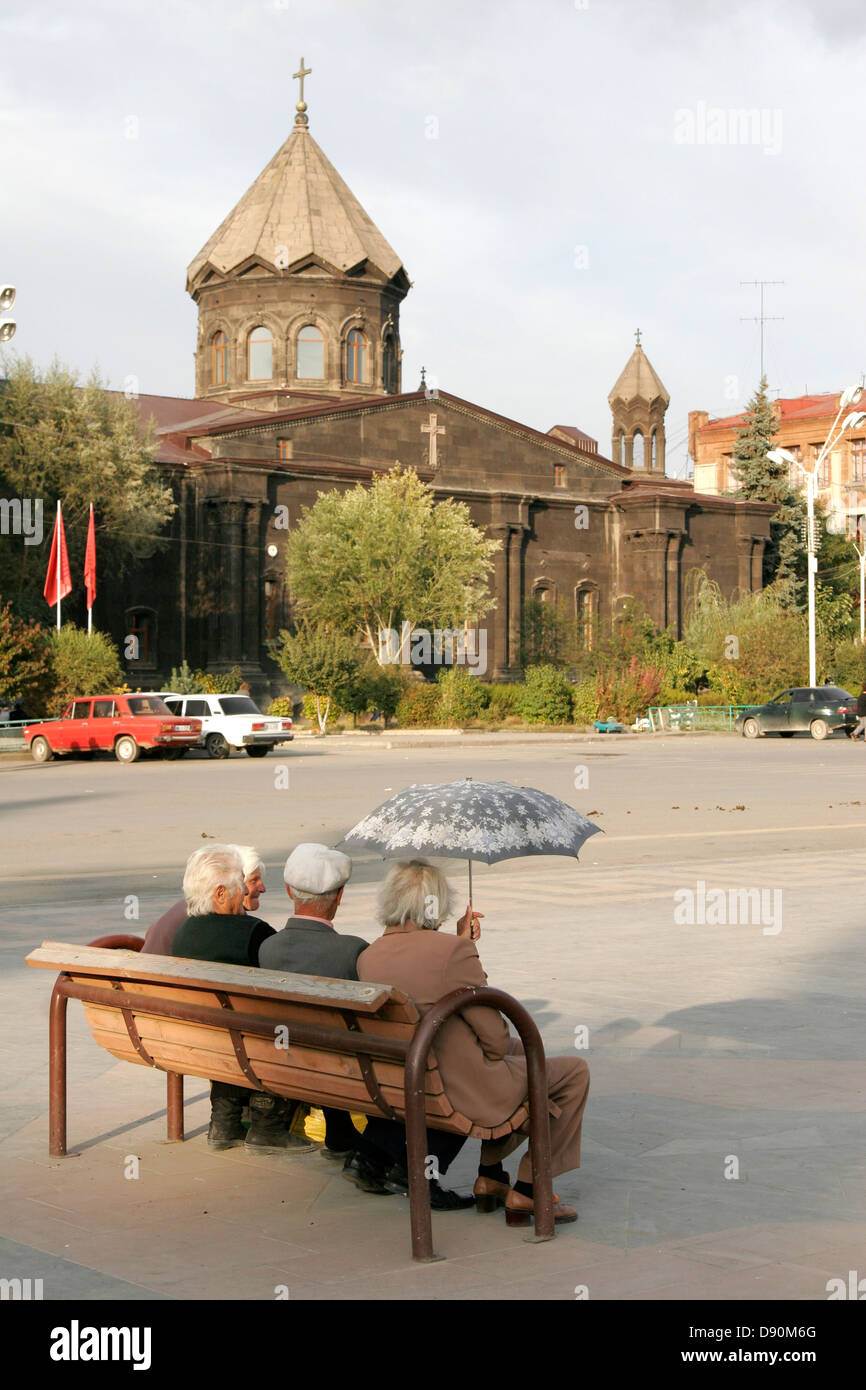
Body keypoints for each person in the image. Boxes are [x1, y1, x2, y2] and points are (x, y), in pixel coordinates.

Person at [357, 859, 590, 1226]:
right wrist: (464, 950)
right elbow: (495, 1040)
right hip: (460, 1089)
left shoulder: (369, 957)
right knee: (573, 1073)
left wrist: (458, 945)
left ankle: (491, 1177)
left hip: (411, 1083)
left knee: (526, 1061)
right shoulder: (451, 952)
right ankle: (529, 1190)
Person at [259, 843, 471, 1207]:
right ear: (339, 896)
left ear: (290, 891)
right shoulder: (354, 952)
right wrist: (459, 945)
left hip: (282, 1067)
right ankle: (409, 1167)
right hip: (354, 1075)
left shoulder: (266, 948)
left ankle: (371, 1155)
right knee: (432, 1064)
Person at [171, 844, 316, 1157]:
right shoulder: (253, 932)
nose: (243, 895)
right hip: (251, 1043)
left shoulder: (182, 933)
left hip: (201, 1041)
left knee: (232, 1029)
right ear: (221, 893)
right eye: (239, 886)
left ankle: (223, 1123)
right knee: (283, 1025)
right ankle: (267, 1127)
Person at [143, 844, 266, 955]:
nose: (262, 888)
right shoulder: (229, 929)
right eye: (252, 881)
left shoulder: (193, 911)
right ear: (221, 891)